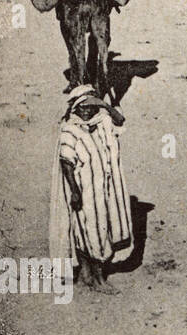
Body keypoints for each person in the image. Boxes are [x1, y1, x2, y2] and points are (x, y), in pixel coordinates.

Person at [49, 85, 133, 293]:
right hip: (84, 191)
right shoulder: (70, 130)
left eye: (90, 106)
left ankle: (87, 274)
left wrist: (103, 104)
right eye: (81, 107)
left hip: (104, 189)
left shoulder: (102, 121)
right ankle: (98, 280)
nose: (86, 111)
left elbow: (120, 121)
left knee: (94, 230)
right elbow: (66, 162)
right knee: (90, 231)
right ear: (75, 109)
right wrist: (75, 191)